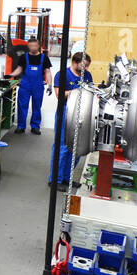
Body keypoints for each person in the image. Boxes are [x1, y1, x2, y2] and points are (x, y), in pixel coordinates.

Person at [49, 52, 85, 189]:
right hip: (66, 112)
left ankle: (66, 178)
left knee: (76, 148)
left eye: (87, 66)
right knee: (62, 147)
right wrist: (77, 91)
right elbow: (59, 95)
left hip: (82, 115)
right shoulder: (62, 74)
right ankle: (55, 180)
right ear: (75, 62)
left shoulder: (86, 75)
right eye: (83, 65)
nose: (85, 69)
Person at [10, 37, 51, 134]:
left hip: (38, 86)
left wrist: (49, 85)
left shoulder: (44, 58)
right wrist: (11, 75)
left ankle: (35, 126)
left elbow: (48, 72)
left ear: (38, 46)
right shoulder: (24, 57)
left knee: (37, 106)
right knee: (22, 106)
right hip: (25, 85)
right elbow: (19, 69)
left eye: (35, 45)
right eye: (31, 45)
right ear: (28, 46)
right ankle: (21, 126)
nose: (33, 47)